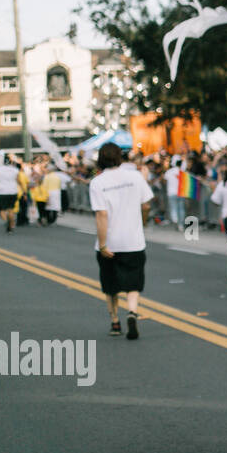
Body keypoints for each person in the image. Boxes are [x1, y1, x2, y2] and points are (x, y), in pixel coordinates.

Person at [90, 142, 154, 339]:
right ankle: (133, 312)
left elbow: (101, 215)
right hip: (133, 240)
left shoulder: (97, 182)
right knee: (133, 282)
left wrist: (102, 244)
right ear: (119, 157)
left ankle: (115, 322)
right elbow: (146, 206)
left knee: (111, 286)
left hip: (111, 241)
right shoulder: (134, 177)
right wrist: (141, 225)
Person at [0, 157, 21, 232]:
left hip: (2, 192)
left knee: (2, 209)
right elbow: (18, 180)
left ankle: (7, 220)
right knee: (11, 209)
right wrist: (23, 189)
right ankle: (11, 223)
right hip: (13, 191)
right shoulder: (14, 170)